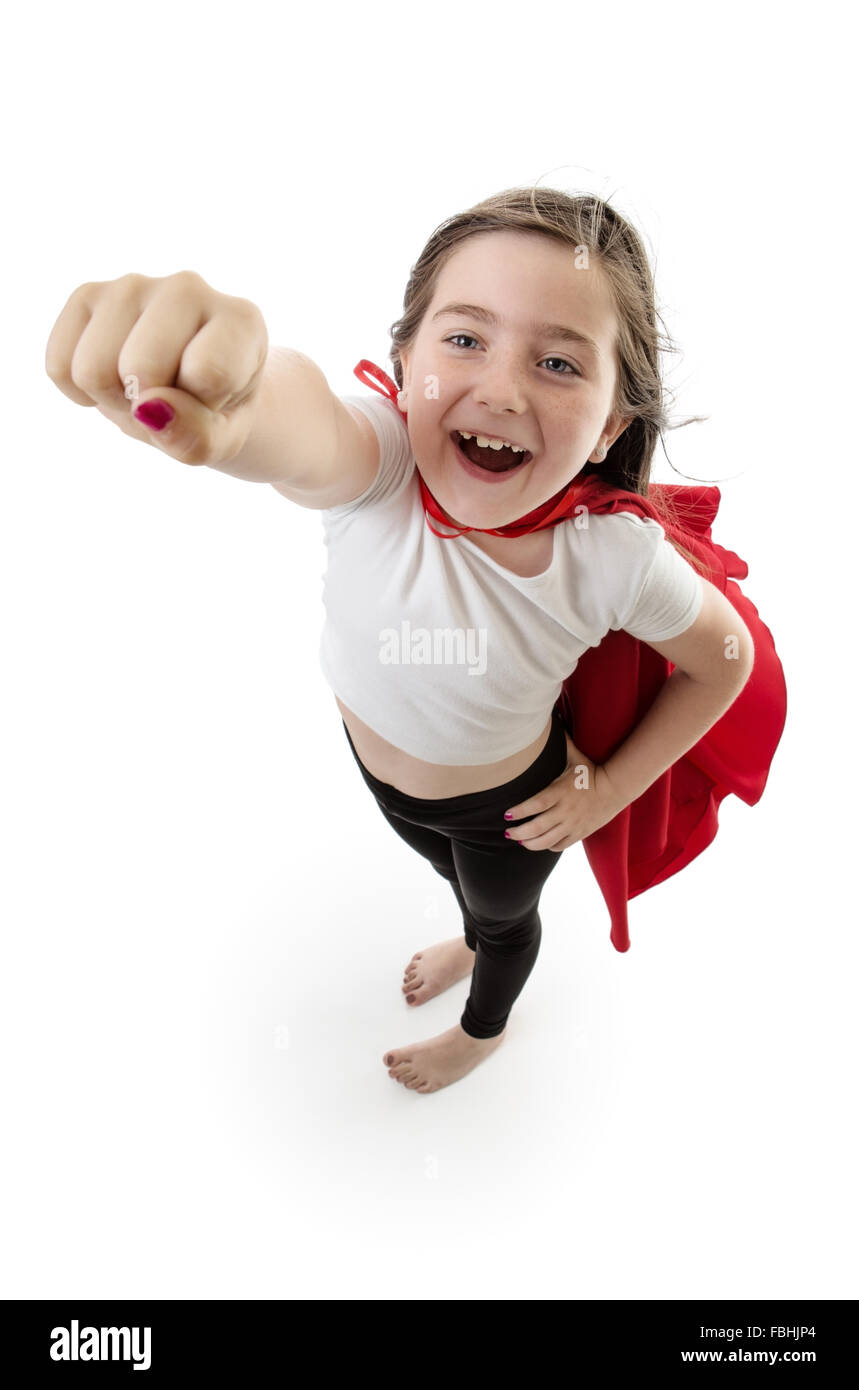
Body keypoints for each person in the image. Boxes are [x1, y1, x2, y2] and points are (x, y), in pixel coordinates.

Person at [43, 186, 765, 1097]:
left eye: (558, 363)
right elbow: (300, 424)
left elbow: (725, 657)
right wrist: (239, 403)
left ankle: (485, 1028)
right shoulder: (379, 461)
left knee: (507, 920)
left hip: (511, 811)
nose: (500, 390)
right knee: (453, 883)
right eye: (464, 340)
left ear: (611, 427)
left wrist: (610, 787)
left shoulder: (612, 559)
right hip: (380, 774)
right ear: (404, 362)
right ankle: (469, 930)